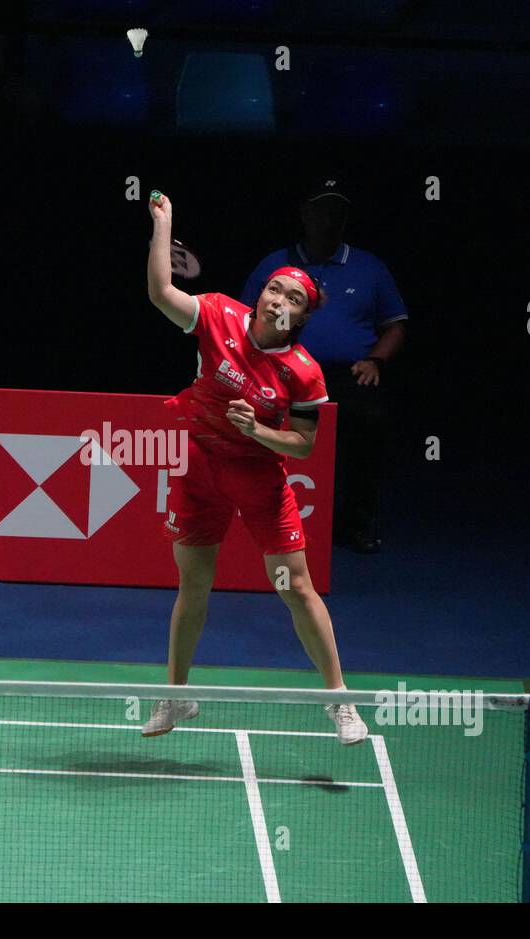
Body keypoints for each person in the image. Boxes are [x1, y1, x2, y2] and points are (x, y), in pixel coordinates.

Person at [142, 190, 367, 745]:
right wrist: (164, 224)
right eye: (273, 288)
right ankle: (175, 696)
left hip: (259, 477)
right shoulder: (217, 313)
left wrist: (257, 431)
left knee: (293, 586)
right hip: (199, 466)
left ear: (303, 314)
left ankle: (338, 702)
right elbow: (160, 292)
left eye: (292, 296)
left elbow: (302, 446)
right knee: (193, 584)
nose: (277, 300)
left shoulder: (304, 372)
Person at [242, 177, 407, 553]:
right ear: (305, 214)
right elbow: (245, 317)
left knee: (370, 421)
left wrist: (375, 360)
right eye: (321, 209)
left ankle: (357, 523)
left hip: (347, 374)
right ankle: (254, 517)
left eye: (338, 211)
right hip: (281, 369)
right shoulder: (276, 264)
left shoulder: (369, 267)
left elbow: (395, 325)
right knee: (245, 424)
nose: (329, 218)